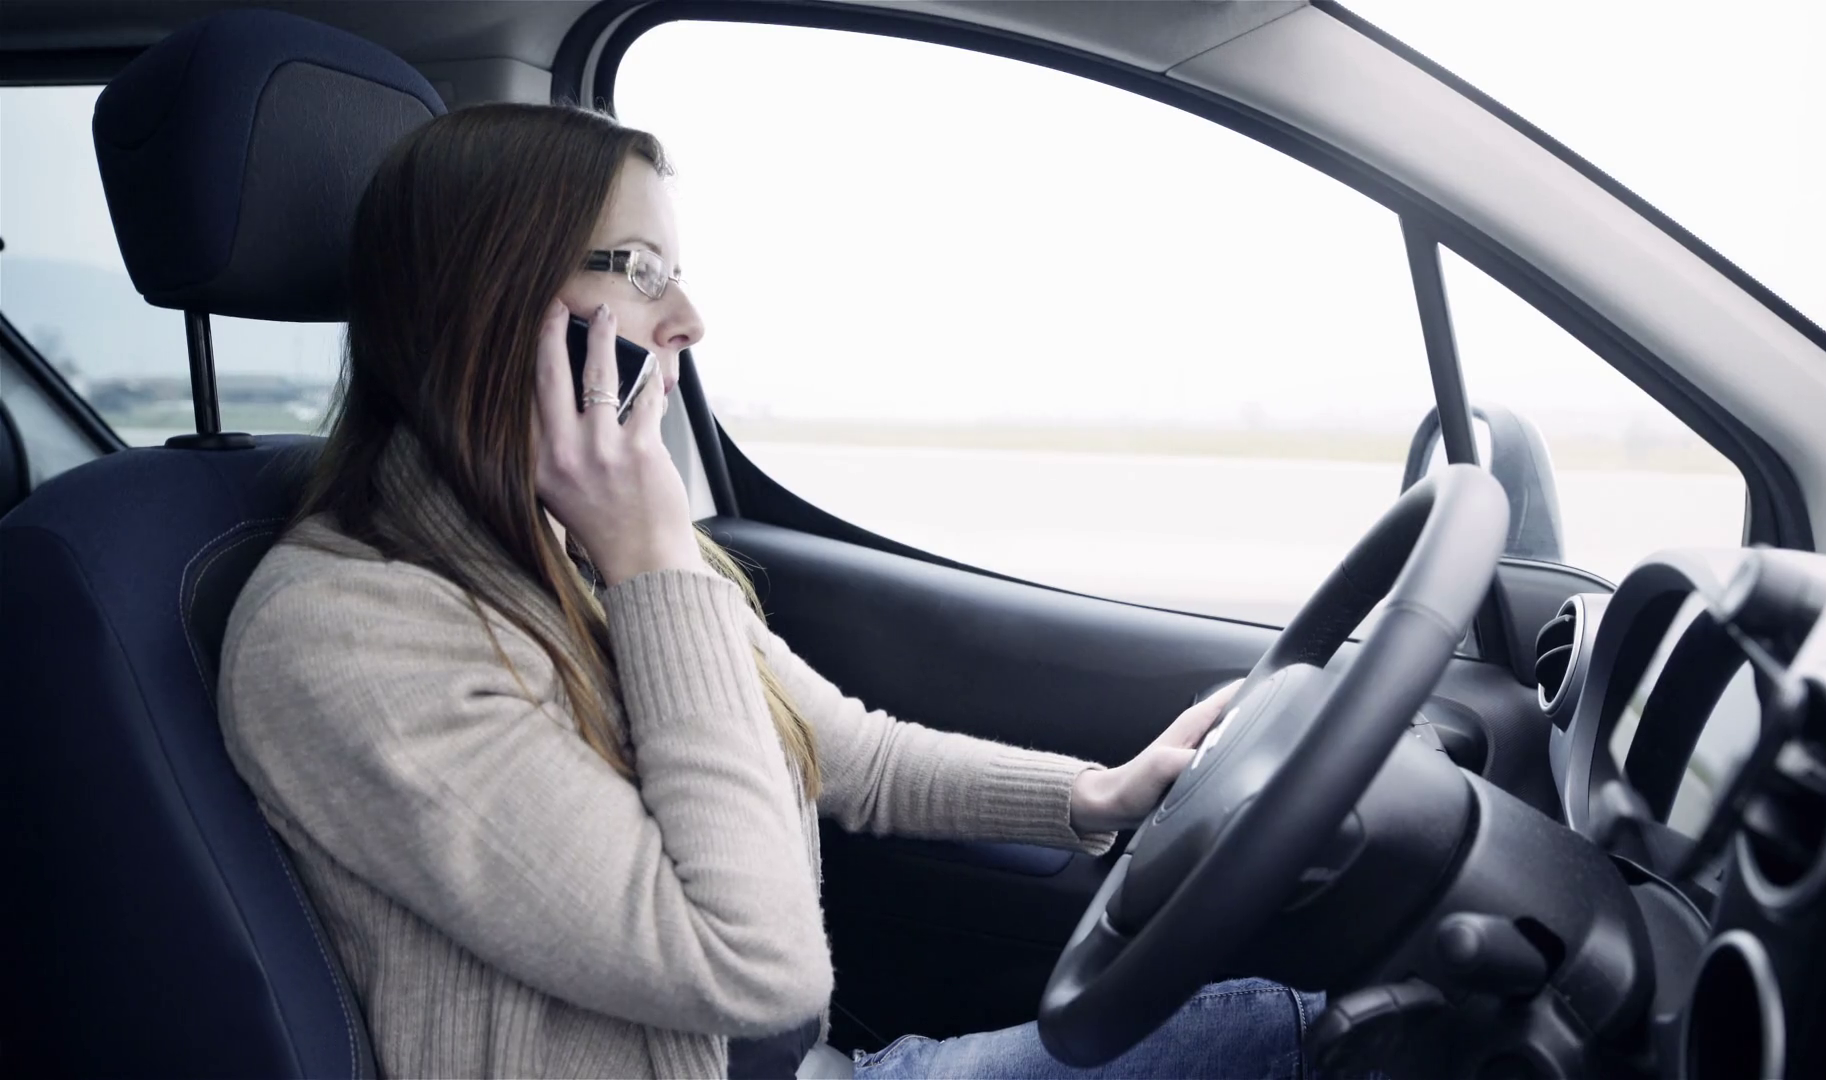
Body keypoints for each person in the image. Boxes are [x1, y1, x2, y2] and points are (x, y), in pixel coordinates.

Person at [217, 102, 1323, 1080]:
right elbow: (757, 971)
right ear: (495, 303)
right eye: (641, 269)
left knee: (1316, 1030)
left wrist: (1094, 797)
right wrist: (651, 560)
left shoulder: (566, 546)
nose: (688, 320)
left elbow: (847, 751)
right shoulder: (345, 637)